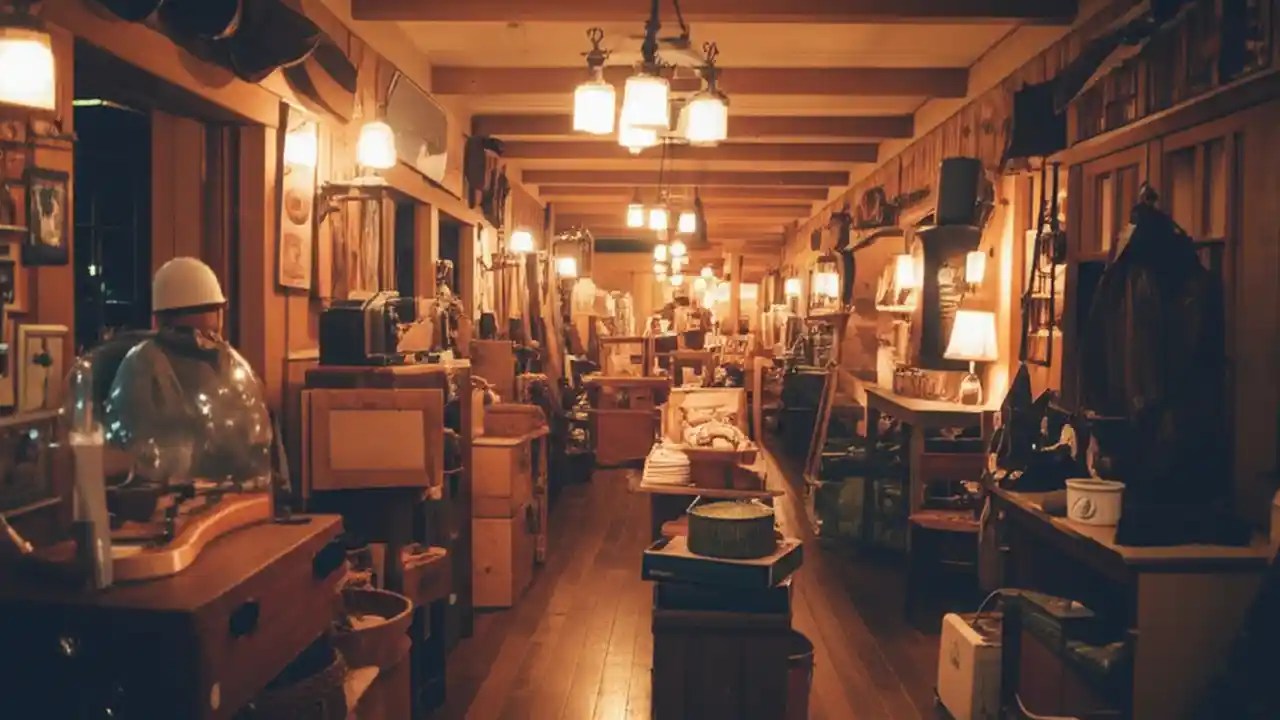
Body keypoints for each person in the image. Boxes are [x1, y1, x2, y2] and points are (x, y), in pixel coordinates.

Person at [104, 257, 272, 489]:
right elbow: (142, 457)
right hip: (176, 500)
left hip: (232, 499)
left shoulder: (228, 362)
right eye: (214, 311)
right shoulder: (145, 364)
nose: (217, 327)